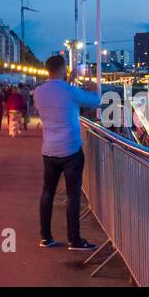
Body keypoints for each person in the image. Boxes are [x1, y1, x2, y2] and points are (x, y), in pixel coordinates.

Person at [33, 55, 101, 250]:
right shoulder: (70, 91)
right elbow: (94, 101)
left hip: (49, 150)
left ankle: (46, 237)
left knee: (47, 193)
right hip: (71, 149)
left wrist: (68, 82)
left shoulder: (38, 92)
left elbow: (57, 99)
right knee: (73, 196)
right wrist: (94, 84)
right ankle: (74, 239)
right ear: (63, 69)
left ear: (47, 70)